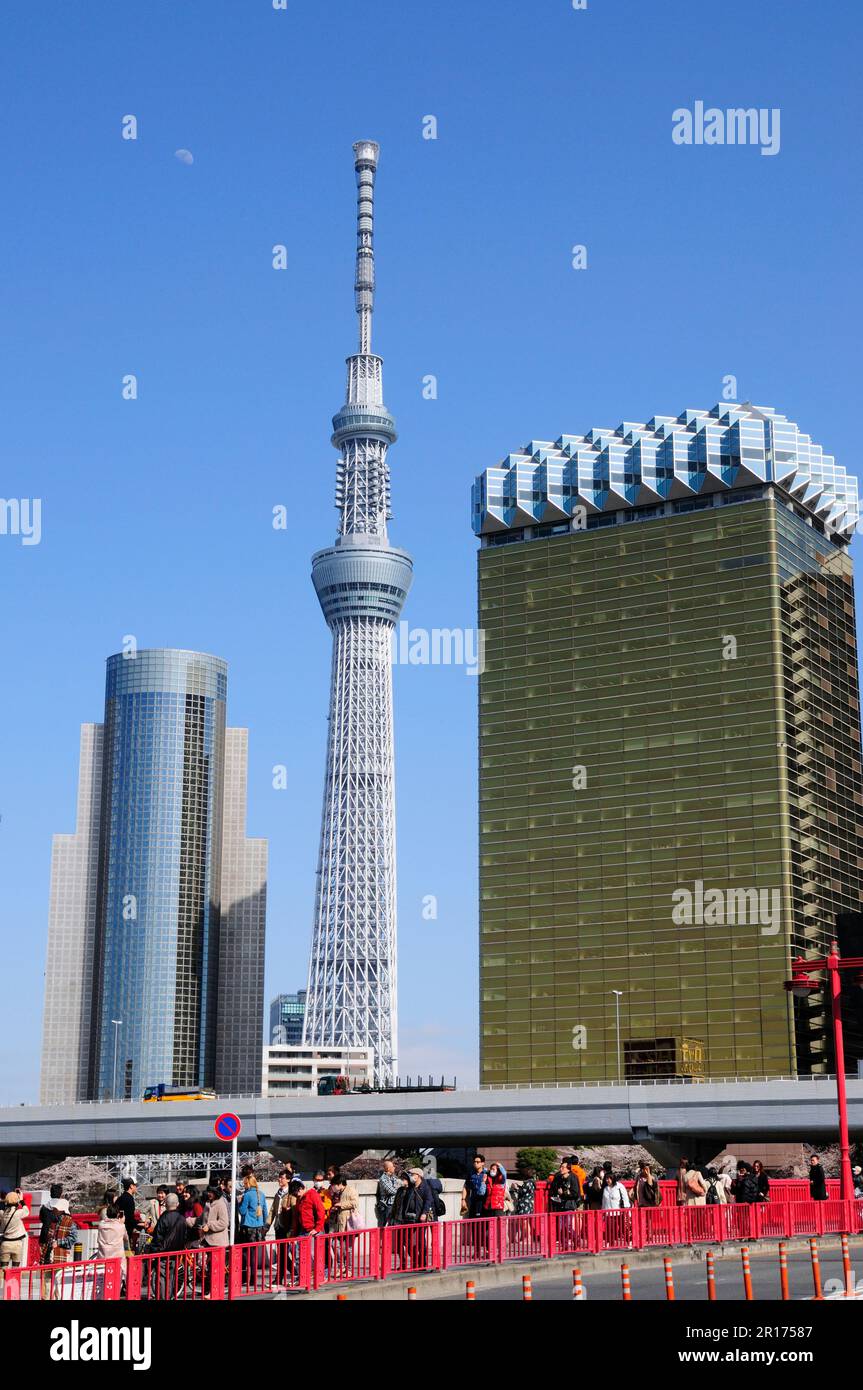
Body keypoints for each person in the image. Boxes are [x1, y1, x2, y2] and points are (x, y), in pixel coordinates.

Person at [0, 1190, 30, 1283]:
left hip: (5, 1244)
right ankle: (13, 1289)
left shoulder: (2, 1213)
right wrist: (21, 1200)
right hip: (17, 1244)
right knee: (15, 1269)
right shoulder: (19, 1213)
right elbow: (27, 1211)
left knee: (2, 1270)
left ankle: (1, 1291)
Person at [38, 1183, 63, 1266]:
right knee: (57, 1262)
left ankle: (44, 1277)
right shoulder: (63, 1208)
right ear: (60, 1194)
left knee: (44, 1259)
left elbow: (41, 1219)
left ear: (50, 1193)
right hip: (58, 1236)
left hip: (45, 1235)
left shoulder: (44, 1207)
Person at [116, 1178, 143, 1246]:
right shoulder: (130, 1199)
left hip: (117, 1230)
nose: (136, 1187)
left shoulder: (120, 1198)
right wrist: (140, 1224)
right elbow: (129, 1218)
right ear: (131, 1186)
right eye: (135, 1185)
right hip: (126, 1232)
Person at [375, 1159, 400, 1228]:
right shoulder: (383, 1178)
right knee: (386, 1226)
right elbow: (392, 1191)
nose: (394, 1168)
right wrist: (398, 1187)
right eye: (393, 1166)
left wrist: (398, 1187)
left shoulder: (393, 1177)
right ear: (388, 1168)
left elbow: (398, 1187)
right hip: (387, 1205)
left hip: (394, 1204)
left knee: (393, 1225)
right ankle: (383, 1239)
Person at [462, 1154, 489, 1219]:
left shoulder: (487, 1174)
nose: (475, 1163)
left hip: (484, 1203)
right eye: (474, 1162)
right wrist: (463, 1200)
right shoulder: (471, 1174)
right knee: (473, 1223)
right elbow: (466, 1186)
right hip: (473, 1202)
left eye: (478, 1162)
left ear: (482, 1163)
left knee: (483, 1224)